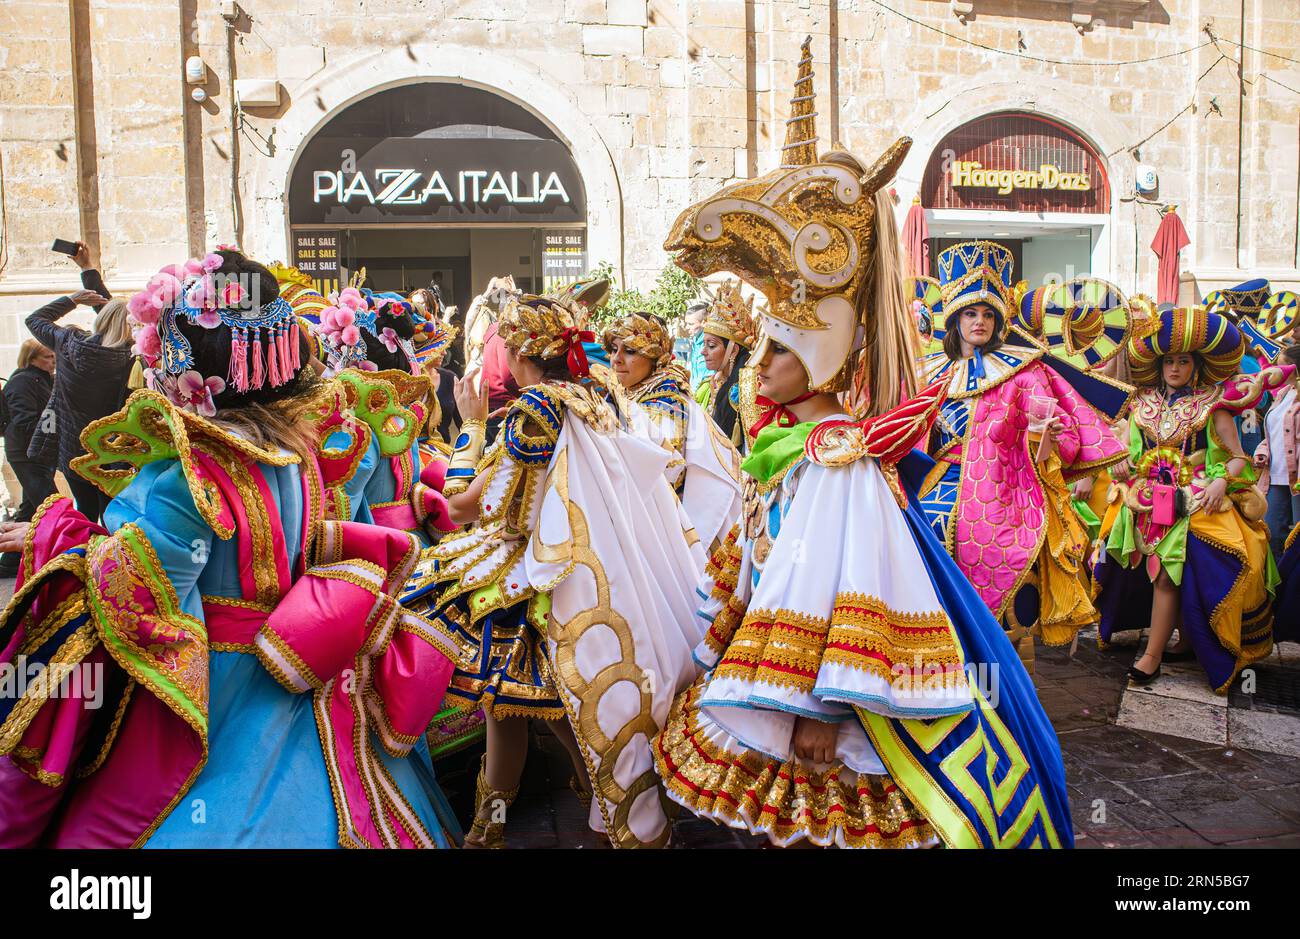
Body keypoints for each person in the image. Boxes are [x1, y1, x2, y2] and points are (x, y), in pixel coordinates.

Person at [653, 43, 1072, 848]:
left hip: (822, 693)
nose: (759, 365)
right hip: (779, 671)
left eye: (776, 351)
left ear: (813, 358)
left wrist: (822, 708)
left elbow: (846, 581)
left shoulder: (835, 454)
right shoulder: (794, 445)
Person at [0, 248, 461, 847]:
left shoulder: (192, 469)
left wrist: (56, 531)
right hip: (295, 666)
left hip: (220, 687)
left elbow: (138, 596)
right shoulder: (299, 450)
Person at [419, 292, 706, 848]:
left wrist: (470, 430)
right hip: (574, 580)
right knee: (546, 711)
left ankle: (498, 832)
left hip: (533, 585)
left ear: (521, 352)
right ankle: (580, 823)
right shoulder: (594, 398)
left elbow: (465, 507)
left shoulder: (535, 410)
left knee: (524, 708)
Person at [918, 243, 1129, 665]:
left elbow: (1065, 443)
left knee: (1005, 603)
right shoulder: (930, 372)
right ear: (955, 320)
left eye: (988, 314)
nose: (979, 322)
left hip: (1006, 495)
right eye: (971, 313)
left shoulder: (1026, 371)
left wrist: (1043, 438)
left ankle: (1004, 690)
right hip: (933, 492)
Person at [1095, 306, 1285, 692]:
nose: (1175, 368)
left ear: (1197, 365)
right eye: (1169, 361)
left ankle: (1151, 656)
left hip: (1195, 502)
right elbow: (1127, 451)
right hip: (1146, 502)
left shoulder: (1214, 407)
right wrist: (1119, 464)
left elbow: (1237, 459)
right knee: (1146, 569)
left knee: (1170, 572)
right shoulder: (1142, 404)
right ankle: (1183, 637)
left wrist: (1218, 484)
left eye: (1183, 361)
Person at [604, 310, 743, 559]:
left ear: (655, 356)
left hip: (660, 529)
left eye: (630, 351)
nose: (616, 360)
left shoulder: (665, 402)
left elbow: (665, 470)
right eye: (614, 350)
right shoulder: (630, 392)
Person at [23, 241, 134, 523]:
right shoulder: (129, 357)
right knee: (112, 514)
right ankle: (108, 563)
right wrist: (87, 269)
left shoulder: (68, 343)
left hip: (72, 447)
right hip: (109, 449)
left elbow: (36, 319)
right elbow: (114, 319)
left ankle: (76, 561)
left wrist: (74, 299)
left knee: (83, 509)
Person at [0, 340, 57, 576]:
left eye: (54, 357)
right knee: (50, 504)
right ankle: (56, 557)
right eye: (47, 357)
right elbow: (26, 419)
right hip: (26, 452)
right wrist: (50, 434)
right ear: (31, 358)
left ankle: (10, 561)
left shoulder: (43, 380)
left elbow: (48, 415)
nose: (53, 362)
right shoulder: (23, 381)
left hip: (39, 452)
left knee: (31, 507)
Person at [699, 280, 760, 451]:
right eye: (704, 345)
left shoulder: (747, 387)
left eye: (711, 346)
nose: (704, 352)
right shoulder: (712, 384)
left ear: (733, 351)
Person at [1254, 343, 1300, 559]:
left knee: (1297, 540)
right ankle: (1278, 589)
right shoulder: (1283, 394)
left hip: (1296, 479)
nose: (1278, 372)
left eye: (1282, 367)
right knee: (1270, 534)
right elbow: (1273, 430)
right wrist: (1262, 450)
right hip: (1275, 477)